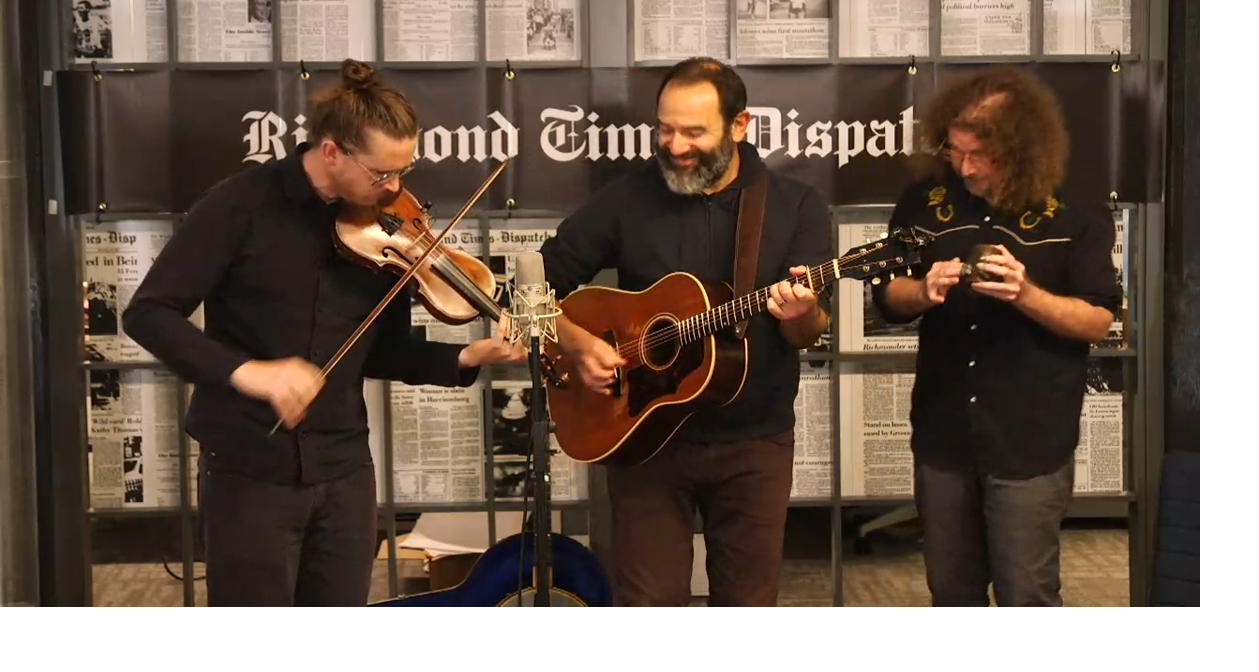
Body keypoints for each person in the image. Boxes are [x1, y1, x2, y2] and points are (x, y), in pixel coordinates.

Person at [121, 59, 525, 608]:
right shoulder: (238, 205)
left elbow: (385, 350)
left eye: (403, 172)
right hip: (248, 471)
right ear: (332, 150)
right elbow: (148, 313)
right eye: (382, 174)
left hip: (345, 472)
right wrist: (250, 373)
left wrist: (467, 356)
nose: (395, 188)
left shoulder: (382, 228)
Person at [537, 57, 834, 607]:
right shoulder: (628, 198)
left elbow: (809, 330)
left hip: (754, 440)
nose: (675, 146)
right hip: (644, 435)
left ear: (739, 126)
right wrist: (578, 345)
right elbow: (537, 282)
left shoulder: (796, 206)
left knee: (748, 599)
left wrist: (802, 317)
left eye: (694, 132)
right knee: (648, 599)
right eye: (665, 129)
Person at [870, 66, 1121, 607]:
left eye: (980, 155)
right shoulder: (923, 199)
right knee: (951, 590)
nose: (965, 167)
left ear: (1022, 150)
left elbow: (1099, 320)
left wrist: (1026, 294)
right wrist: (921, 291)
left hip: (1029, 439)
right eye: (956, 151)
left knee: (1025, 591)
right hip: (942, 435)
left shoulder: (1077, 208)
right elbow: (886, 297)